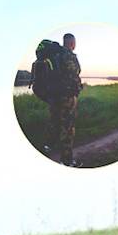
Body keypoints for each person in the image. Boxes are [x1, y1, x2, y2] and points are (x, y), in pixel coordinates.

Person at [47, 31, 81, 166]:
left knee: (55, 122)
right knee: (68, 128)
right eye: (74, 42)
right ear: (72, 43)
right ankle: (66, 161)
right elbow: (74, 73)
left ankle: (47, 148)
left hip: (54, 96)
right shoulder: (69, 56)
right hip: (67, 97)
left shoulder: (55, 55)